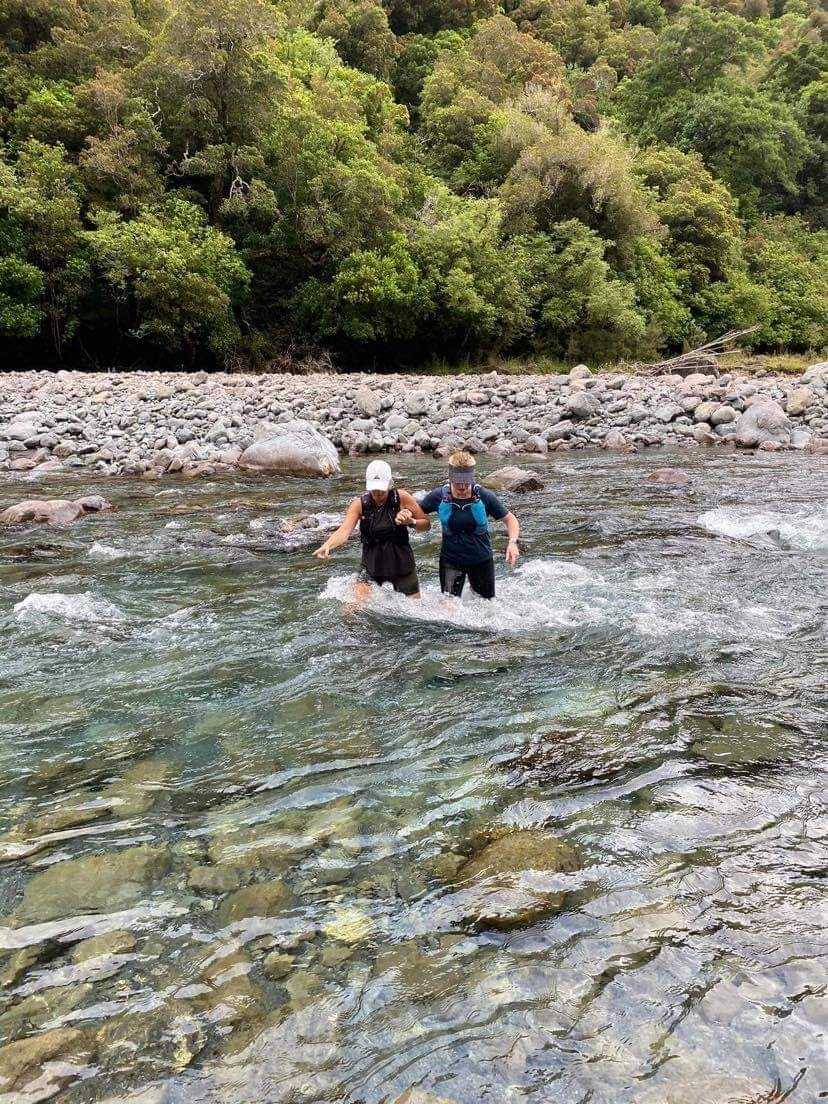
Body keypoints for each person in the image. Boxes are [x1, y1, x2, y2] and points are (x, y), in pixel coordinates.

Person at [313, 459, 430, 598]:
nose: (378, 495)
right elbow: (344, 531)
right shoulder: (360, 504)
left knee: (414, 611)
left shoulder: (402, 497)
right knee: (353, 611)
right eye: (374, 491)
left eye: (382, 491)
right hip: (372, 565)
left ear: (389, 484)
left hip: (402, 565)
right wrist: (327, 545)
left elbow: (426, 525)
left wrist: (411, 522)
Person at [419, 451, 520, 599]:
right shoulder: (438, 496)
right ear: (450, 478)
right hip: (450, 561)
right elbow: (417, 512)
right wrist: (410, 518)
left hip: (481, 560)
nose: (462, 488)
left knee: (486, 606)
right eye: (458, 483)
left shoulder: (484, 496)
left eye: (466, 483)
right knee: (448, 608)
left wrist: (512, 543)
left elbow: (510, 520)